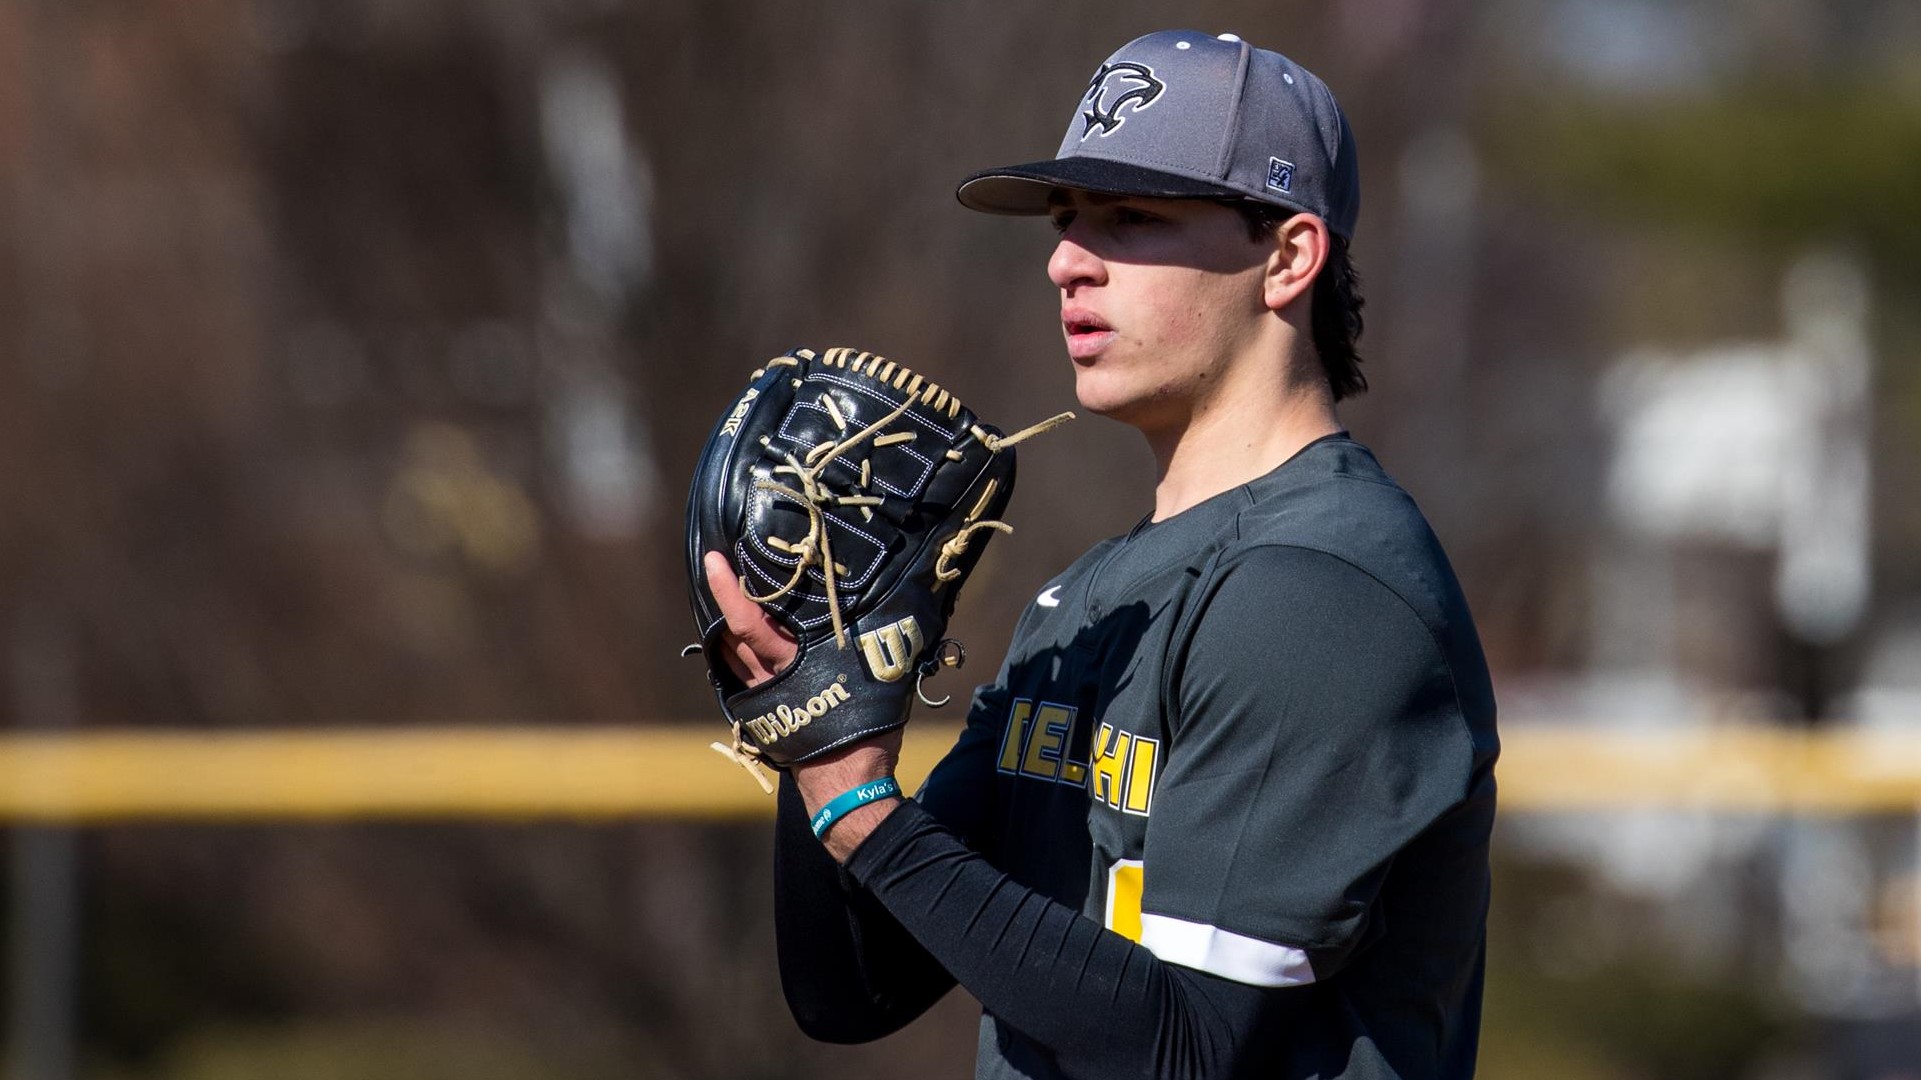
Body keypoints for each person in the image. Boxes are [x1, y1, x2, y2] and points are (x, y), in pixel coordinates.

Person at [702, 29, 1498, 1080]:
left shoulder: (1320, 594)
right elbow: (856, 988)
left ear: (1289, 257)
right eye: (1070, 221)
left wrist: (862, 810)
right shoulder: (1093, 598)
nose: (1066, 260)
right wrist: (820, 734)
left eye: (1131, 219)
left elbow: (1185, 1050)